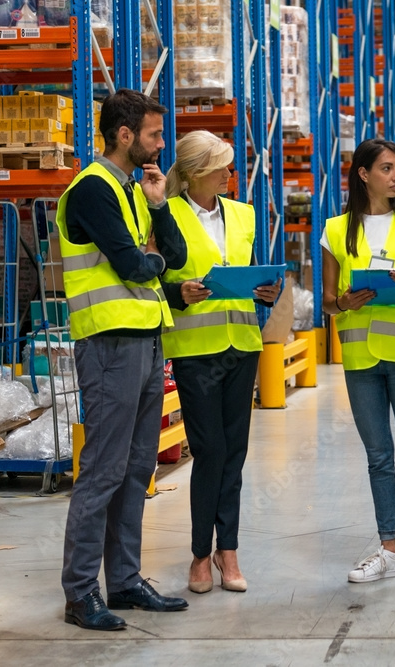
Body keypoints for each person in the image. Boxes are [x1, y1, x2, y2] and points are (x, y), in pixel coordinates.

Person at [58, 88, 190, 631]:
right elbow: (134, 265)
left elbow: (171, 259)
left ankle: (127, 581)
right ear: (124, 134)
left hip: (146, 339)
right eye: (156, 135)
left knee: (137, 468)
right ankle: (80, 591)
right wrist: (149, 260)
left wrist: (160, 207)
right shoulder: (92, 189)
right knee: (104, 471)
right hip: (109, 343)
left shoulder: (136, 190)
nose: (162, 145)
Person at [160, 130, 281, 595]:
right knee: (208, 451)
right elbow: (157, 280)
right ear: (195, 173)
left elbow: (247, 275)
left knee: (235, 452)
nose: (231, 174)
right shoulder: (166, 215)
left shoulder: (243, 215)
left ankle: (227, 550)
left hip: (242, 345)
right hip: (195, 351)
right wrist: (180, 292)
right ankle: (198, 554)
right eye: (222, 167)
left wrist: (270, 290)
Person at [321, 138, 395, 587]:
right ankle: (389, 548)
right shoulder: (335, 229)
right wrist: (345, 302)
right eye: (387, 168)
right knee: (377, 458)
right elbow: (329, 304)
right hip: (360, 357)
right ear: (364, 174)